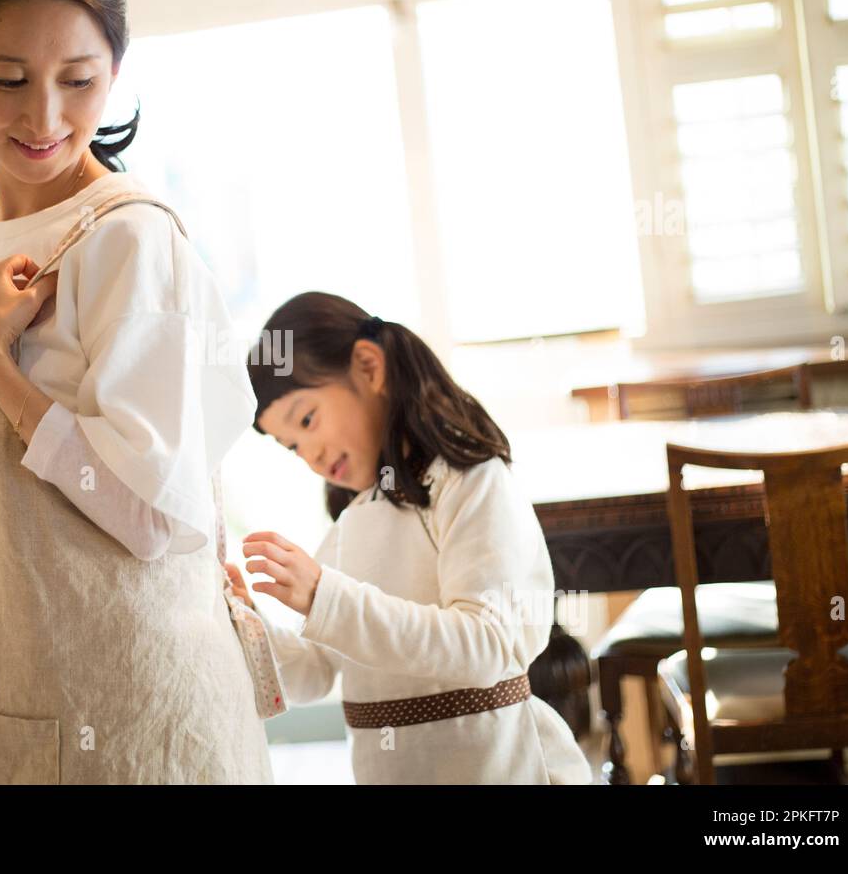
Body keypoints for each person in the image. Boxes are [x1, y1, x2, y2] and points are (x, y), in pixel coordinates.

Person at [0, 0, 272, 784]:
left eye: (79, 80)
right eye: (7, 79)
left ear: (116, 72)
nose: (44, 117)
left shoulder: (129, 241)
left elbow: (150, 518)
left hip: (126, 716)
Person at [233, 291, 592, 784]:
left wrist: (325, 597)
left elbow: (486, 645)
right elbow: (311, 674)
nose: (309, 454)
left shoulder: (471, 484)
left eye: (307, 420)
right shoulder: (354, 522)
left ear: (368, 367)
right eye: (292, 446)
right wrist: (248, 624)